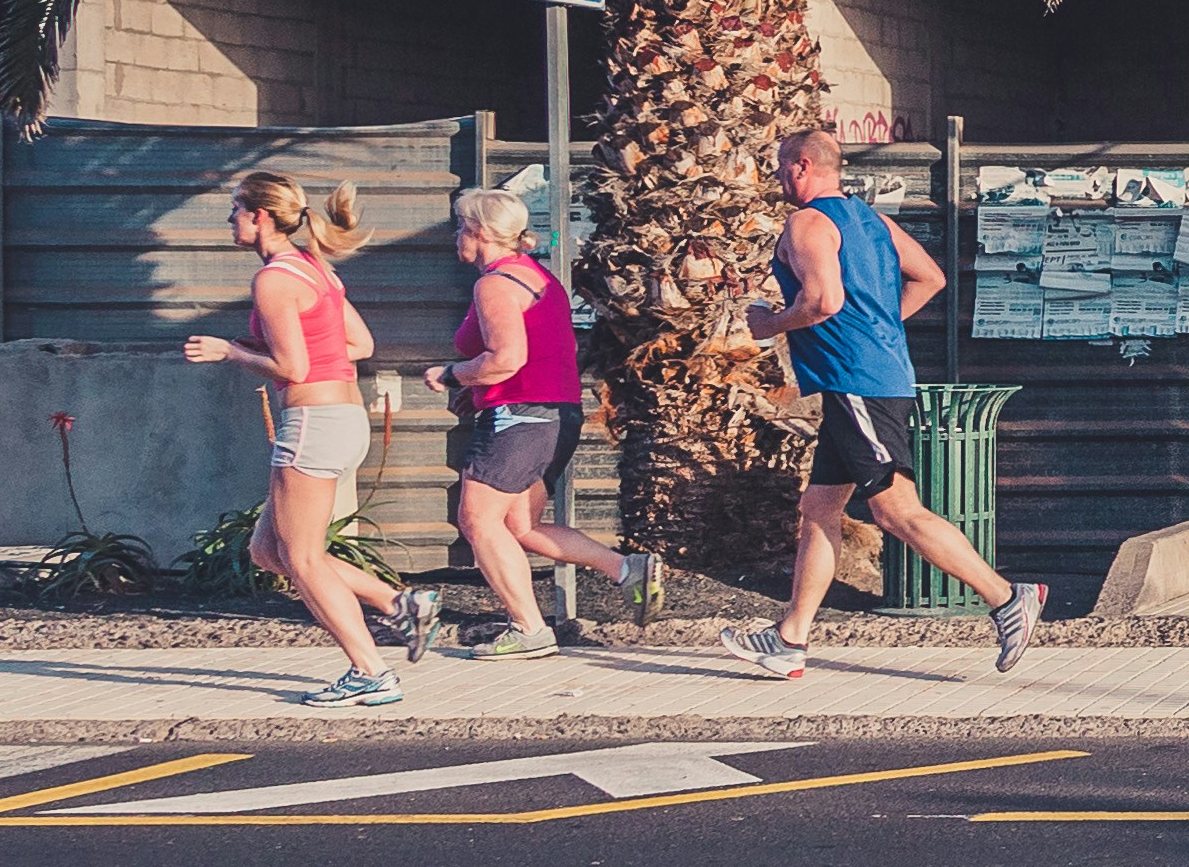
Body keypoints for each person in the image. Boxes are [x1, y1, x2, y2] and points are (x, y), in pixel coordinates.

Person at [723, 129, 1041, 679]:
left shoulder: (806, 223)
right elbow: (931, 278)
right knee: (819, 509)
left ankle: (1007, 597)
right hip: (874, 377)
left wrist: (767, 326)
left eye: (780, 166)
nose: (777, 177)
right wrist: (880, 327)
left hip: (854, 383)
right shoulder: (873, 220)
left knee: (894, 509)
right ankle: (790, 639)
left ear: (802, 166)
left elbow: (823, 301)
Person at [177, 170, 432, 706]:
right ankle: (401, 604)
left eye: (235, 211)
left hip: (313, 424)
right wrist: (272, 341)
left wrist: (232, 351)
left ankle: (371, 671)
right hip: (343, 420)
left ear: (260, 216)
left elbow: (291, 367)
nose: (230, 220)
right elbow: (358, 344)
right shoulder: (316, 270)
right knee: (268, 551)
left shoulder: (273, 280)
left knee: (304, 559)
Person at [432, 186, 647, 657]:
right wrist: (479, 389)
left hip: (521, 417)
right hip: (553, 413)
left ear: (480, 231)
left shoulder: (496, 284)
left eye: (459, 227)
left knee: (476, 520)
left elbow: (506, 358)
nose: (454, 237)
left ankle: (529, 629)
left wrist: (452, 376)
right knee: (519, 525)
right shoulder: (533, 276)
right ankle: (625, 569)